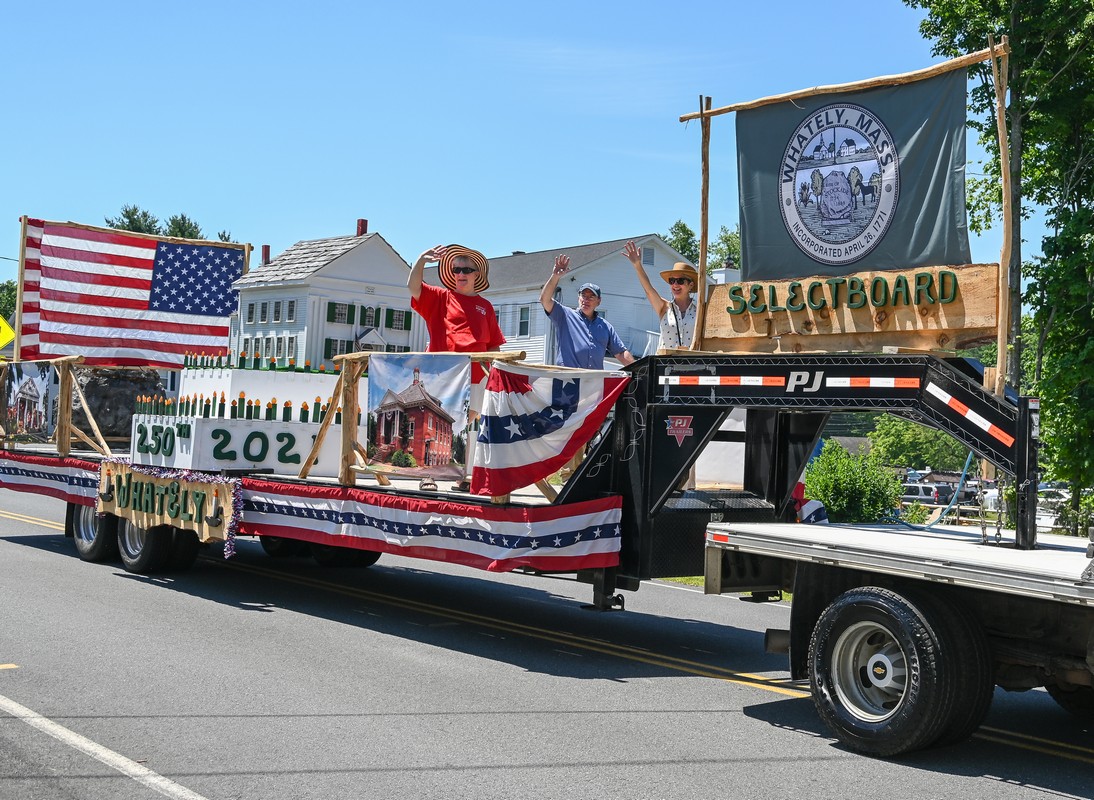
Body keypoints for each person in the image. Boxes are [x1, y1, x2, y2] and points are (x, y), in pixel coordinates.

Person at [408, 243, 505, 492]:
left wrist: (498, 372)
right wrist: (420, 260)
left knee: (468, 427)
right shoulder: (440, 297)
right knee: (440, 427)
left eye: (466, 269)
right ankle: (428, 476)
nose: (460, 274)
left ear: (476, 274)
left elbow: (494, 346)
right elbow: (413, 287)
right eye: (456, 269)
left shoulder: (486, 307)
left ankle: (464, 477)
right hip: (444, 375)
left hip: (476, 376)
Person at [539, 254, 635, 369]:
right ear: (578, 298)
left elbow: (620, 353)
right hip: (567, 381)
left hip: (593, 383)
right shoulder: (565, 315)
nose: (586, 300)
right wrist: (555, 276)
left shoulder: (605, 327)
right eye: (583, 296)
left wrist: (640, 371)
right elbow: (544, 300)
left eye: (591, 297)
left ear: (598, 301)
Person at [623, 241, 699, 353]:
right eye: (672, 280)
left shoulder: (700, 310)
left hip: (692, 367)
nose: (675, 285)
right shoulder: (664, 307)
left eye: (680, 281)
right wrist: (637, 265)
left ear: (691, 285)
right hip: (665, 366)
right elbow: (648, 290)